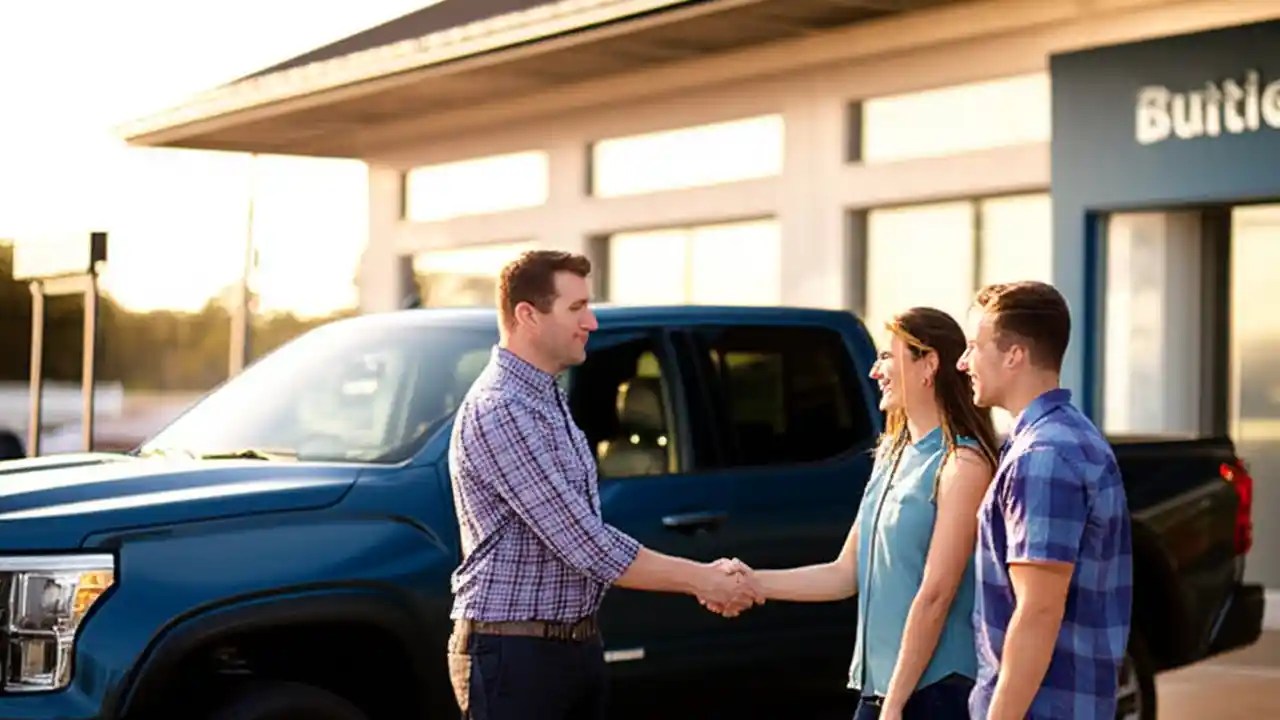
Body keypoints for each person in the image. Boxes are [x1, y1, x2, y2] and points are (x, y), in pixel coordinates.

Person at [445, 249, 763, 720]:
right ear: (527, 316)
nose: (591, 322)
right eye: (576, 308)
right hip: (515, 656)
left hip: (568, 648)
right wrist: (705, 580)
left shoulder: (545, 397)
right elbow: (586, 545)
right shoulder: (503, 409)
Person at [712, 307, 999, 720]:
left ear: (928, 365)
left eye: (887, 356)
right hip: (881, 690)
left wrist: (895, 704)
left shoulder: (963, 464)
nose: (874, 371)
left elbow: (936, 595)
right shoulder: (891, 455)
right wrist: (750, 581)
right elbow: (844, 574)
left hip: (934, 693)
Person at [957, 281, 1133, 720]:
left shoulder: (1044, 456)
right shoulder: (1066, 436)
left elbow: (1038, 610)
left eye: (975, 346)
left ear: (1014, 355)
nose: (963, 363)